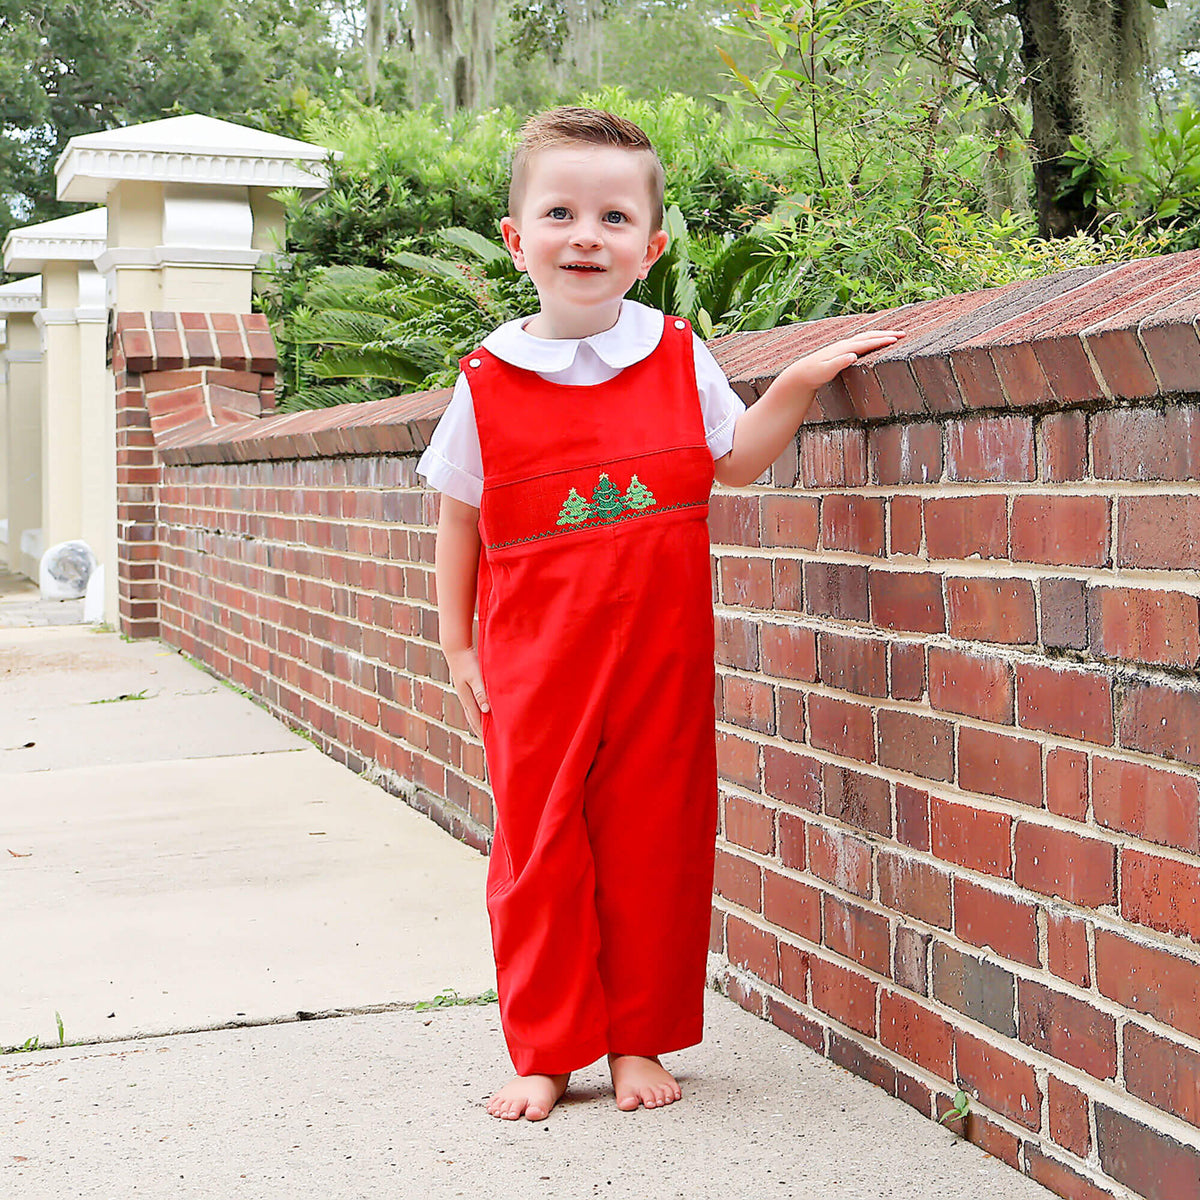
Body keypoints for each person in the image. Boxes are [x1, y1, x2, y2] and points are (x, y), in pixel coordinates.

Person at [417, 106, 902, 1123]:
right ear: (518, 239)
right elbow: (458, 520)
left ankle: (636, 1037)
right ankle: (548, 1049)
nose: (586, 234)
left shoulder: (681, 357)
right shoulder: (487, 381)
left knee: (654, 839)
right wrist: (458, 642)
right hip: (535, 664)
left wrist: (803, 382)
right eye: (560, 212)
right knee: (539, 850)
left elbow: (734, 461)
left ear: (652, 242)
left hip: (662, 657)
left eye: (613, 215)